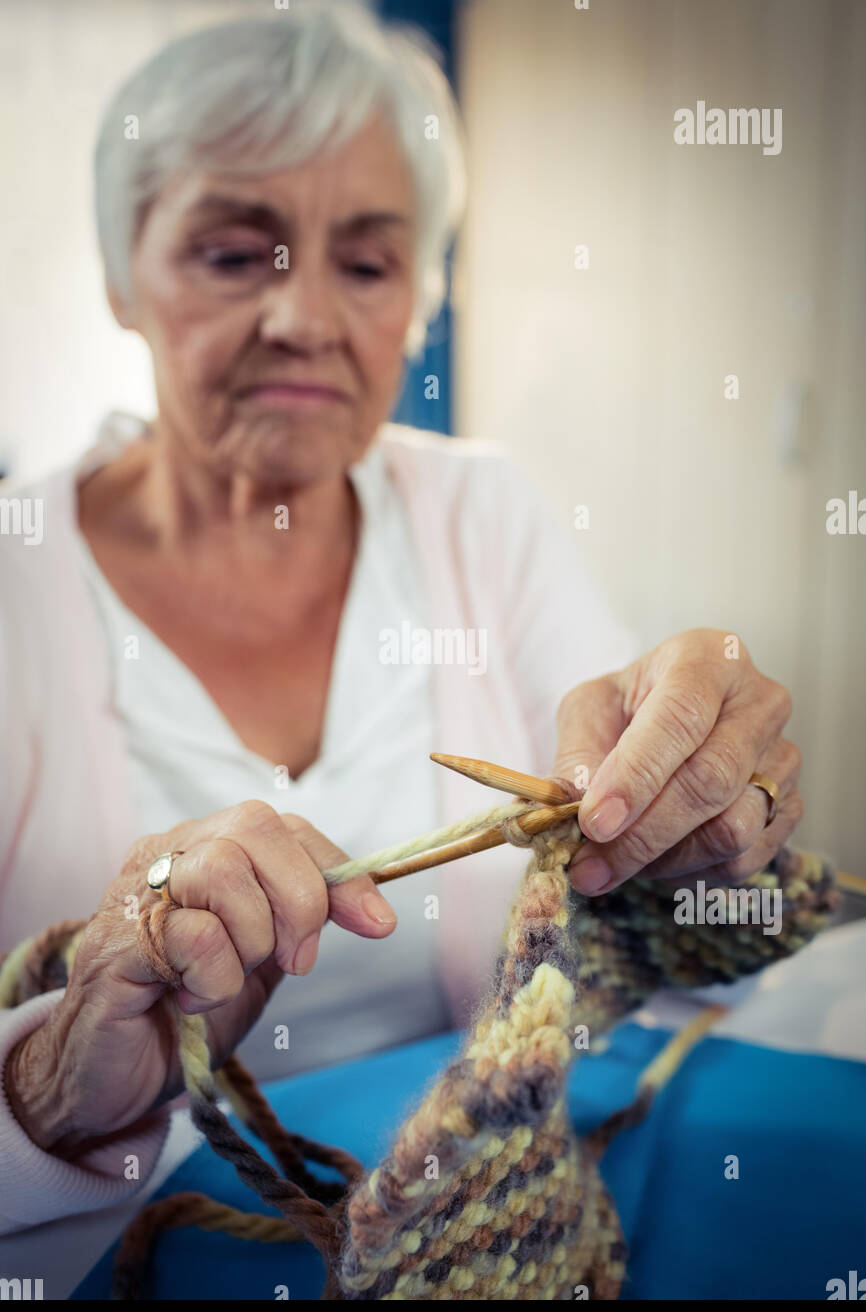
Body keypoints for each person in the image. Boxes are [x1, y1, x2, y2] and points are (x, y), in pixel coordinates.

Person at [0, 3, 802, 1236]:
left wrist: (697, 805)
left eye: (367, 264)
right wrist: (51, 1087)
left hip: (480, 1214)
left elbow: (650, 905)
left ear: (419, 298)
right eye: (231, 254)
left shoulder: (483, 513)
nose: (305, 319)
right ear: (120, 275)